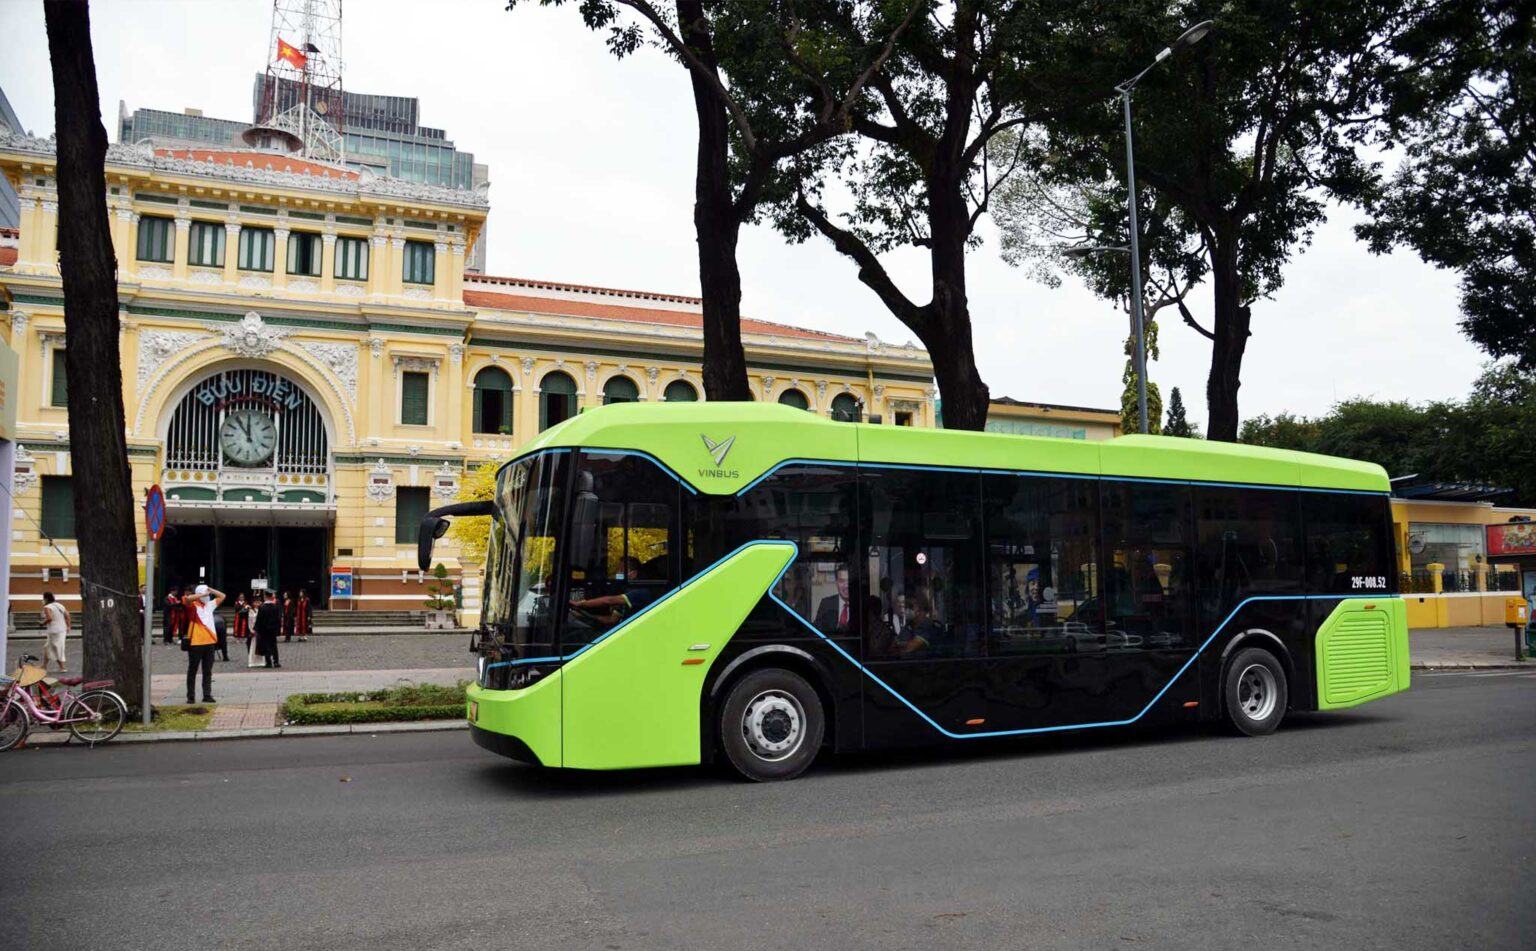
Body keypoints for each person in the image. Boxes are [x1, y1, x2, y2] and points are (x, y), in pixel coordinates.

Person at [182, 584, 225, 704]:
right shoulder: (193, 606)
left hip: (210, 642)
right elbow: (186, 599)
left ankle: (207, 695)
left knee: (208, 671)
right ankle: (190, 696)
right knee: (192, 670)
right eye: (205, 593)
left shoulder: (210, 605)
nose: (207, 596)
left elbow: (222, 596)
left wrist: (211, 590)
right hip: (196, 643)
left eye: (207, 594)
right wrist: (202, 594)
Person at [813, 566, 853, 634]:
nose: (846, 586)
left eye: (849, 581)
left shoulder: (860, 605)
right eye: (842, 581)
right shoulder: (826, 603)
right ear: (836, 583)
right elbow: (816, 631)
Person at [39, 592, 70, 673]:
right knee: (48, 647)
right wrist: (69, 626)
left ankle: (63, 667)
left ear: (46, 599)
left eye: (43, 599)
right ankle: (44, 665)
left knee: (57, 648)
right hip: (62, 629)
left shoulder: (47, 607)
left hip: (54, 630)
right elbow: (67, 614)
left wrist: (42, 623)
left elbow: (49, 618)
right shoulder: (60, 605)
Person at [254, 590, 282, 669]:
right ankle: (276, 662)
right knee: (273, 645)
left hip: (264, 630)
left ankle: (268, 662)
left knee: (265, 645)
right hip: (272, 629)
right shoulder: (275, 607)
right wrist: (278, 629)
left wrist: (257, 629)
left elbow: (259, 620)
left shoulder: (262, 607)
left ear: (266, 596)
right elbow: (278, 619)